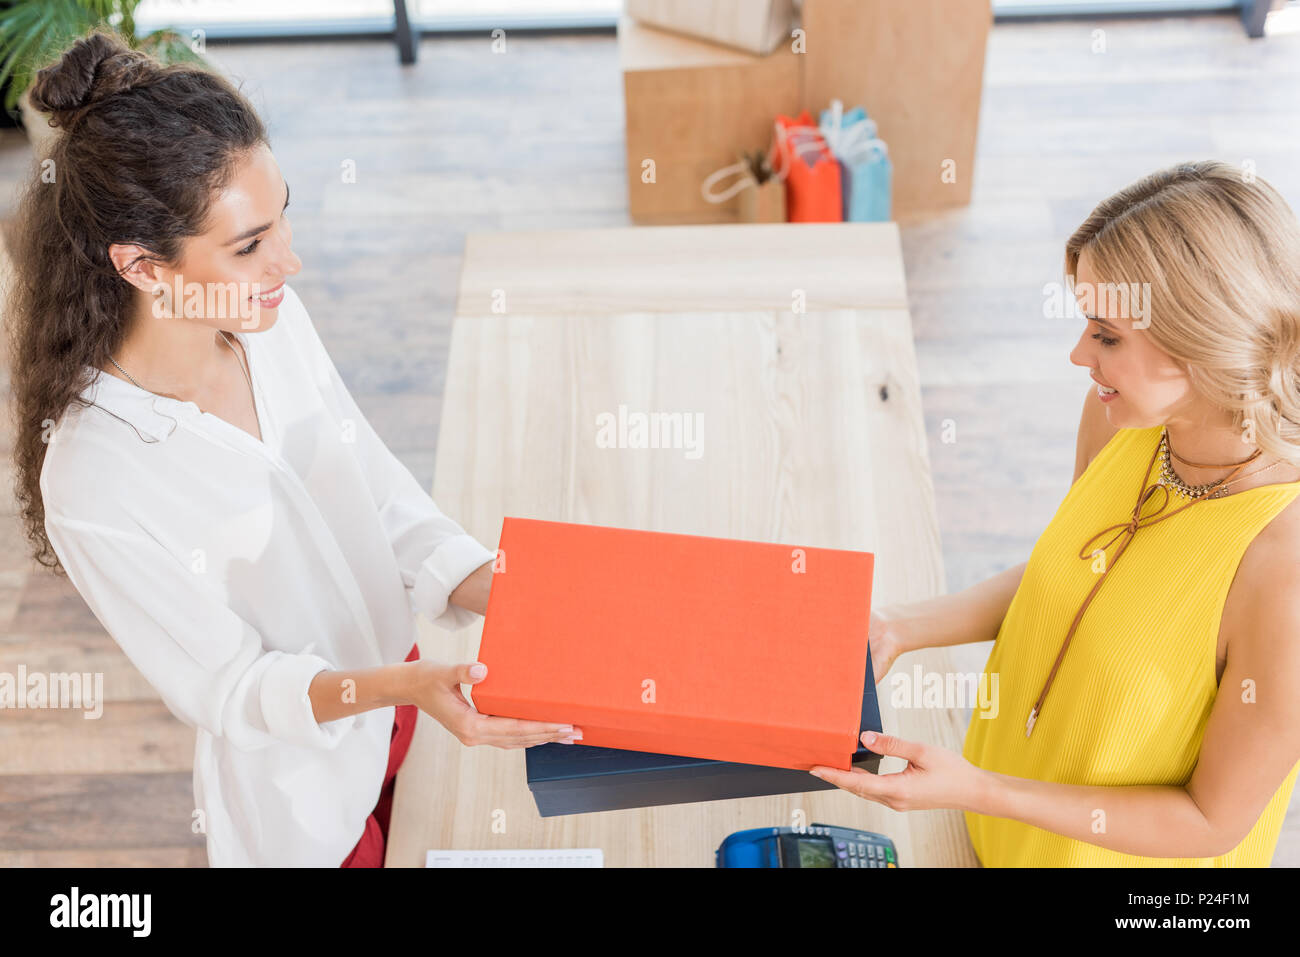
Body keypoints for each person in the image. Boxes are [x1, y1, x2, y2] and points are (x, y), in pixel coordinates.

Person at [6, 29, 579, 868]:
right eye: (248, 246)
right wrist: (396, 688)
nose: (291, 262)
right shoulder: (95, 483)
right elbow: (233, 687)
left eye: (282, 222)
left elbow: (368, 482)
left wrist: (482, 582)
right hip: (310, 792)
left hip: (407, 689)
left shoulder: (261, 319)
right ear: (141, 266)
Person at [810, 160, 1300, 866]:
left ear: (1201, 342)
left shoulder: (1281, 568)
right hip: (991, 819)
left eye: (1106, 335)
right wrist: (900, 627)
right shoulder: (1122, 420)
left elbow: (1209, 820)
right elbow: (1070, 573)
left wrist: (983, 790)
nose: (1078, 355)